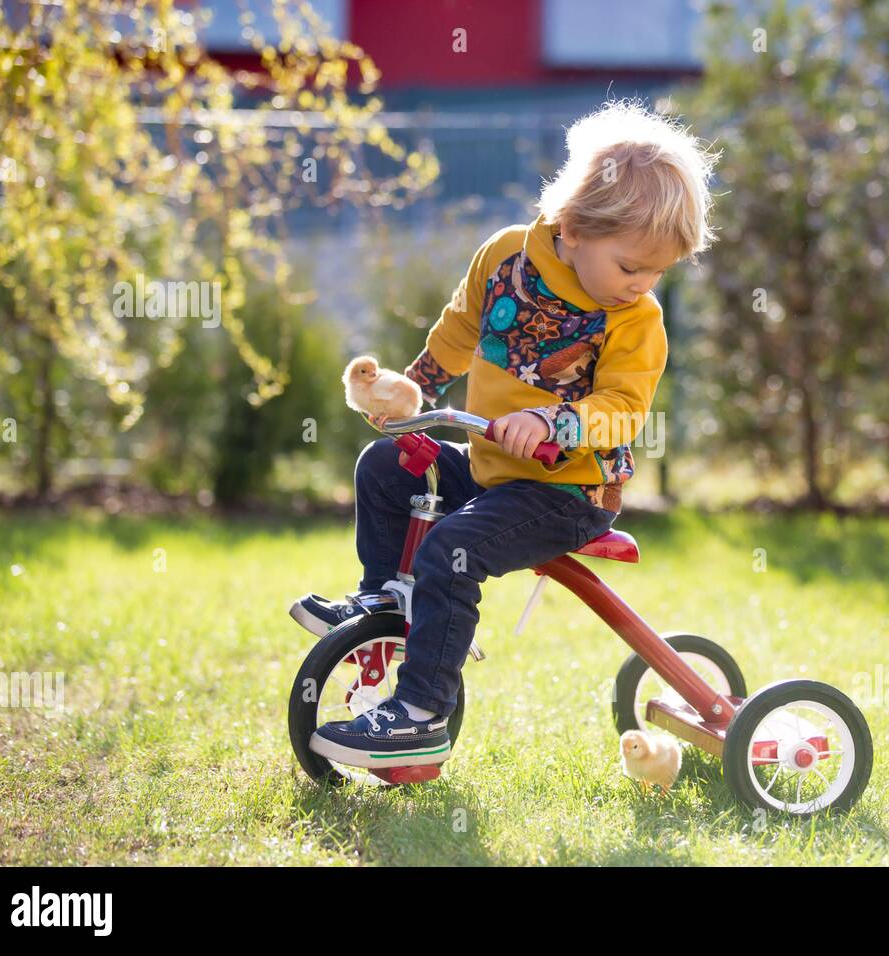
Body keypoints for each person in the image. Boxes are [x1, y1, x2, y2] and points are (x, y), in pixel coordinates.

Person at [298, 99, 720, 768]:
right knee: (389, 464)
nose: (643, 286)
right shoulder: (505, 257)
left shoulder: (635, 322)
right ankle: (385, 596)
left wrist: (552, 420)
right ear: (575, 229)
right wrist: (416, 387)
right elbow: (463, 326)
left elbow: (621, 407)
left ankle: (421, 713)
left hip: (571, 490)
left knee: (452, 546)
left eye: (657, 273)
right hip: (495, 465)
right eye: (632, 266)